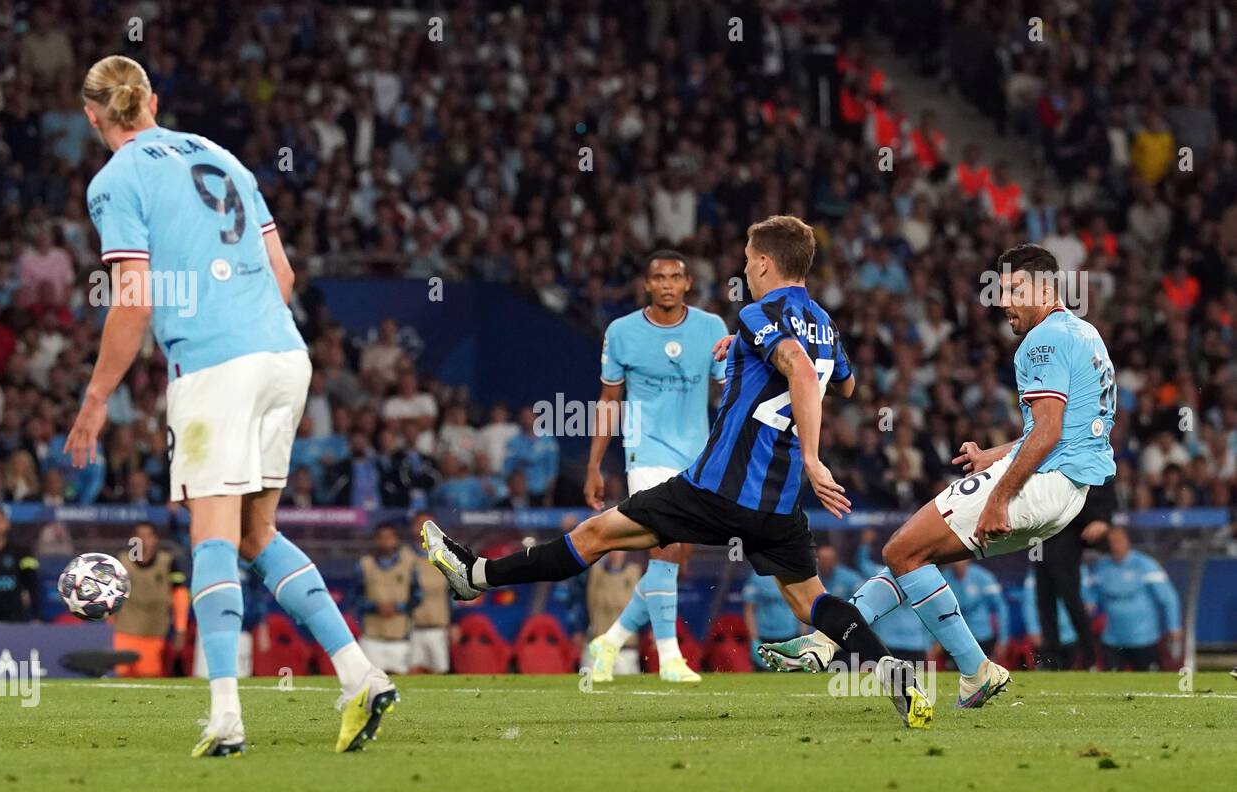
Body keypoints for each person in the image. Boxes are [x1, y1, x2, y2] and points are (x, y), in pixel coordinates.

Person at [425, 215, 934, 728]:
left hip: (717, 486)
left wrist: (812, 454)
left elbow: (798, 368)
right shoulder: (824, 323)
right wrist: (746, 351)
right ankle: (897, 676)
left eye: (746, 261)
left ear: (763, 263)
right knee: (811, 602)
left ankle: (476, 576)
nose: (745, 270)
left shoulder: (759, 312)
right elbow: (841, 383)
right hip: (777, 504)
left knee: (595, 534)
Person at [63, 56, 396, 757]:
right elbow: (283, 274)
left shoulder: (115, 180)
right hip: (284, 354)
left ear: (93, 117)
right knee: (256, 534)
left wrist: (95, 401)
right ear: (153, 98)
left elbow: (133, 297)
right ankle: (360, 673)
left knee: (210, 536)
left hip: (217, 366)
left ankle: (225, 717)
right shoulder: (224, 156)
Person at [763, 244, 1116, 710]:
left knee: (899, 548)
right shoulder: (1086, 334)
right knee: (913, 559)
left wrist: (998, 498)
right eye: (1001, 290)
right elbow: (1060, 431)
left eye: (1014, 290)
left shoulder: (1042, 340)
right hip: (1069, 496)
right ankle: (826, 640)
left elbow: (1048, 432)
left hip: (1039, 484)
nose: (1003, 301)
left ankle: (976, 669)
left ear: (1047, 290)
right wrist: (992, 456)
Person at [581, 249, 727, 683]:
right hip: (646, 454)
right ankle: (669, 657)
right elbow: (609, 402)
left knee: (676, 556)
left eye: (675, 277)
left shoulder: (711, 328)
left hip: (698, 458)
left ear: (687, 284)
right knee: (664, 547)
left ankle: (609, 641)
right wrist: (594, 466)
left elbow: (730, 392)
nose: (666, 284)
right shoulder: (622, 332)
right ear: (646, 285)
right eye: (658, 277)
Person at [1032, 481, 1114, 668]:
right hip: (1038, 534)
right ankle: (1050, 657)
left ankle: (1089, 655)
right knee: (1043, 596)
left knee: (1070, 597)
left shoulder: (1090, 457)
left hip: (1067, 530)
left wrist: (1103, 518)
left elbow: (1104, 485)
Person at [1088, 527, 1181, 671]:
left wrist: (1173, 627)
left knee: (1148, 684)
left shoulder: (1146, 565)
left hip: (1144, 638)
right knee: (1110, 683)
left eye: (1118, 541)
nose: (1115, 545)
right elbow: (1091, 598)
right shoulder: (1101, 567)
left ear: (1127, 542)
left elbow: (1168, 598)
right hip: (1113, 638)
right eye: (1111, 542)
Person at [111, 520, 188, 676]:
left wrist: (180, 629)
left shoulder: (168, 563)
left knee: (151, 680)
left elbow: (180, 595)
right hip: (124, 634)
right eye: (139, 536)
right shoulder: (121, 563)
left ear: (155, 539)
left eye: (148, 536)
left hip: (155, 635)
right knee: (121, 680)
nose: (143, 541)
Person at [357, 522, 415, 675]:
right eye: (382, 537)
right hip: (372, 638)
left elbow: (417, 597)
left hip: (399, 636)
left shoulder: (408, 564)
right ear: (376, 540)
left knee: (402, 687)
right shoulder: (365, 565)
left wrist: (398, 608)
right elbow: (354, 598)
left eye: (390, 537)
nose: (386, 541)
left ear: (396, 539)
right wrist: (375, 607)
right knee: (372, 684)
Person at [584, 551, 644, 675]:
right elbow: (590, 602)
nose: (615, 553)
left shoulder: (634, 572)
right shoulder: (596, 572)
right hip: (600, 640)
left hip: (626, 646)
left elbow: (633, 606)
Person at [407, 512, 451, 673]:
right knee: (412, 673)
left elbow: (454, 594)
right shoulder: (404, 557)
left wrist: (457, 622)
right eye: (420, 524)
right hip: (412, 628)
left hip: (438, 628)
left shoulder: (446, 557)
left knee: (440, 672)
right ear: (412, 528)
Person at [944, 560, 1009, 661]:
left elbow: (1000, 607)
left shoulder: (983, 577)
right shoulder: (944, 579)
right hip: (956, 639)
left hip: (983, 637)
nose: (957, 563)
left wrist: (1003, 639)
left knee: (985, 673)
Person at [741, 572, 801, 669]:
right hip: (764, 637)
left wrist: (803, 635)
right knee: (761, 679)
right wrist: (753, 639)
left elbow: (802, 605)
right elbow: (749, 609)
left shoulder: (795, 574)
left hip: (790, 636)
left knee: (791, 679)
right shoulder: (757, 577)